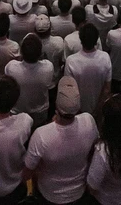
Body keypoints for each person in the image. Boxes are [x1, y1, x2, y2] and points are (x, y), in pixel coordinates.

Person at [25, 77, 99, 205]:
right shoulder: (89, 121)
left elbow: (28, 170)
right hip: (79, 192)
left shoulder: (41, 135)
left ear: (56, 104)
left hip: (49, 195)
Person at [5, 34, 55, 128]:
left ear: (22, 53)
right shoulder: (48, 67)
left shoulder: (11, 67)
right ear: (40, 53)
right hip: (40, 113)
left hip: (18, 113)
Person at [64, 23, 111, 115]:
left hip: (77, 109)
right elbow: (107, 89)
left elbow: (69, 90)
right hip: (99, 107)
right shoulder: (105, 57)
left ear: (81, 40)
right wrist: (98, 109)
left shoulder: (71, 61)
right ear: (96, 40)